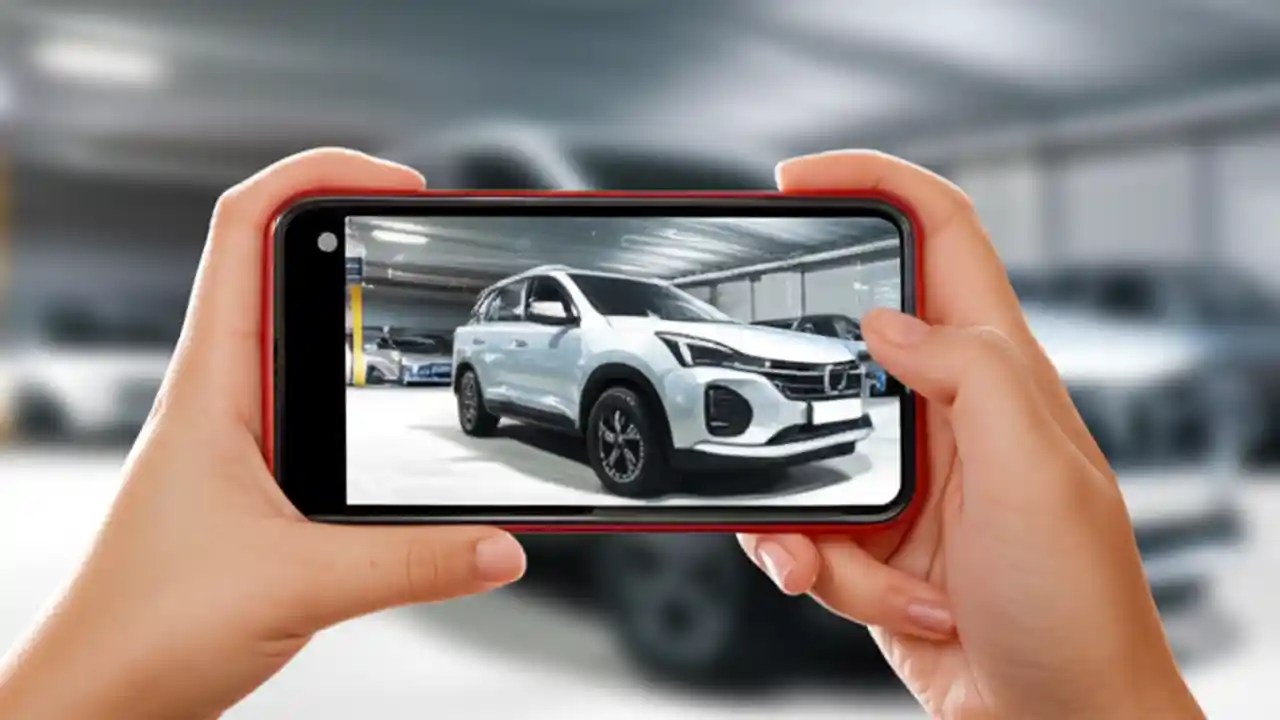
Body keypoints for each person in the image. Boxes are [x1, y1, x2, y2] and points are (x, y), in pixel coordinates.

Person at [0, 149, 1204, 719]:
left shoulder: (675, 317)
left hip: (763, 380)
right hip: (567, 363)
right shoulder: (539, 323)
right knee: (598, 428)